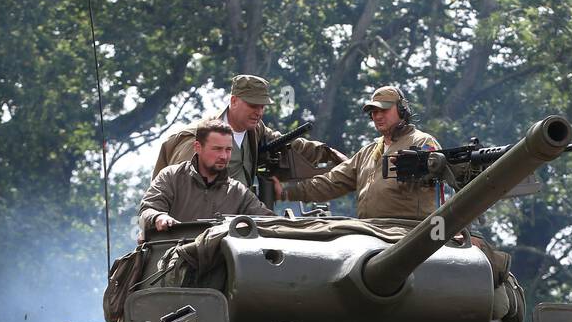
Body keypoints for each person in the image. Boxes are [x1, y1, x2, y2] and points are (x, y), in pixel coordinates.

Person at [272, 86, 442, 220]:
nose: (377, 116)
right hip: (370, 231)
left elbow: (440, 175)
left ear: (402, 110)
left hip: (406, 232)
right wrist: (286, 192)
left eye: (384, 110)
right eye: (374, 112)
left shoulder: (422, 142)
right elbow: (332, 182)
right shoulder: (368, 152)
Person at [153, 75, 344, 191]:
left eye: (262, 106)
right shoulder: (197, 140)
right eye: (253, 105)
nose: (259, 112)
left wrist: (331, 155)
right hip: (202, 228)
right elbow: (175, 188)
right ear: (234, 101)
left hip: (240, 223)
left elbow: (290, 146)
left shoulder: (255, 129)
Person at [139, 119, 275, 233]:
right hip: (174, 258)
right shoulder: (171, 177)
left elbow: (269, 220)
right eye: (217, 149)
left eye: (228, 150)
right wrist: (159, 217)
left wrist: (248, 225)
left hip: (219, 262)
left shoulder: (238, 192)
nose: (224, 156)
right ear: (198, 147)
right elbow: (147, 210)